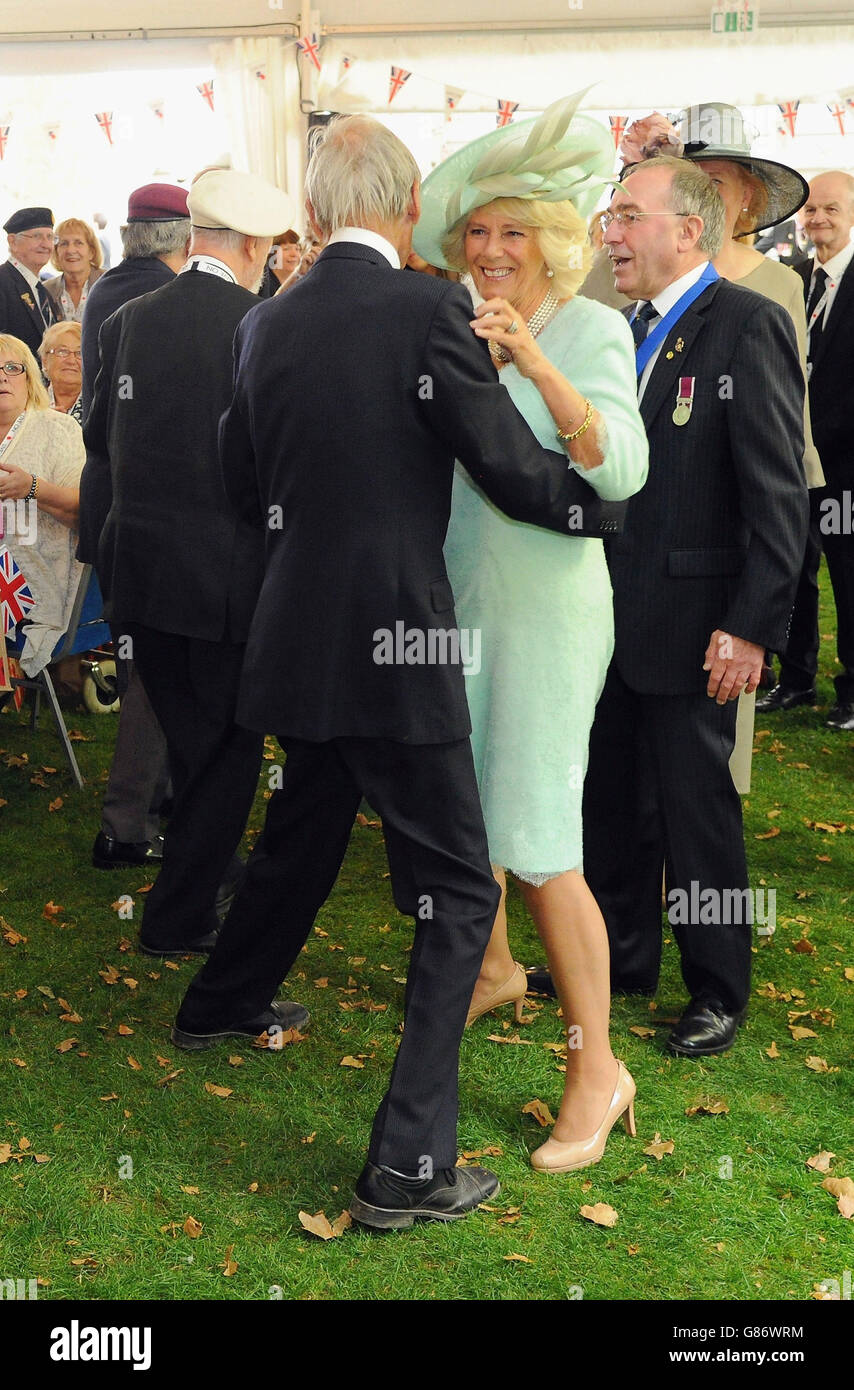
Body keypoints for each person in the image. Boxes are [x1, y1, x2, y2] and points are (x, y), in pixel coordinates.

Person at [172, 113, 624, 1231]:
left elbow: (239, 476)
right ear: (406, 198)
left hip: (295, 633)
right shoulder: (428, 309)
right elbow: (505, 460)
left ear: (316, 212)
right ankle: (407, 1167)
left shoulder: (265, 321)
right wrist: (590, 506)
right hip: (395, 645)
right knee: (460, 890)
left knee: (304, 825)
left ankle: (222, 999)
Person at [412, 93, 648, 1174]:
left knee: (544, 837)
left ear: (551, 245)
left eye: (512, 233)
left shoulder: (590, 328)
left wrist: (532, 362)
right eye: (477, 233)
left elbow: (619, 470)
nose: (492, 250)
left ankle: (595, 1063)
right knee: (464, 804)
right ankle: (493, 970)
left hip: (549, 610)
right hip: (458, 596)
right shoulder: (450, 327)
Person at [581, 156, 808, 1056]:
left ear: (689, 231)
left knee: (696, 810)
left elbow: (778, 494)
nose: (612, 232)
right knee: (613, 798)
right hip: (605, 621)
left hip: (698, 625)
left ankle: (718, 983)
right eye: (611, 215)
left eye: (630, 216)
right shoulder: (614, 329)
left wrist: (753, 624)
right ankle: (623, 957)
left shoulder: (746, 325)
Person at [81, 167, 297, 960]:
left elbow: (97, 436)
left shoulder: (130, 317)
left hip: (138, 575)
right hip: (223, 582)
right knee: (228, 757)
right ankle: (179, 917)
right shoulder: (262, 323)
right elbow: (274, 460)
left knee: (200, 745)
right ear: (248, 247)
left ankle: (195, 889)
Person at [622, 104, 822, 793]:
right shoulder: (631, 305)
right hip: (625, 610)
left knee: (700, 802)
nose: (709, 188)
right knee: (625, 817)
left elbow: (775, 475)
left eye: (720, 179)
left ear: (742, 196)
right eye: (693, 174)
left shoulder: (764, 300)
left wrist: (752, 621)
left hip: (704, 599)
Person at [78, 183, 190, 873]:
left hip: (114, 506)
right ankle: (125, 825)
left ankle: (163, 796)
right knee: (152, 672)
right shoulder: (159, 300)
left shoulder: (104, 289)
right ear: (183, 238)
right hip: (146, 513)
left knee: (147, 664)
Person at [761, 171, 854, 732]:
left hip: (846, 463)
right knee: (791, 568)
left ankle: (852, 691)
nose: (817, 219)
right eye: (811, 210)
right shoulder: (794, 279)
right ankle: (795, 678)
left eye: (832, 210)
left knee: (848, 574)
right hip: (794, 456)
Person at [0, 334, 84, 675]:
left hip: (38, 574)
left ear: (30, 377)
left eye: (12, 368)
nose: (2, 376)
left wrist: (32, 487)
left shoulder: (59, 429)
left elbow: (85, 508)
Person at [0, 209, 57, 357]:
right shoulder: (3, 282)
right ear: (12, 241)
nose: (46, 244)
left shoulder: (43, 291)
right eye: (37, 236)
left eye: (50, 237)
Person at [44, 219, 104, 324]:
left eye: (78, 243)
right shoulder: (46, 290)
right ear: (56, 252)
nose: (70, 250)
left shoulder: (109, 284)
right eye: (64, 244)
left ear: (91, 252)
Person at [40, 321, 83, 422]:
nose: (71, 361)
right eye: (62, 351)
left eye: (80, 353)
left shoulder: (101, 405)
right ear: (45, 360)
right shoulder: (27, 404)